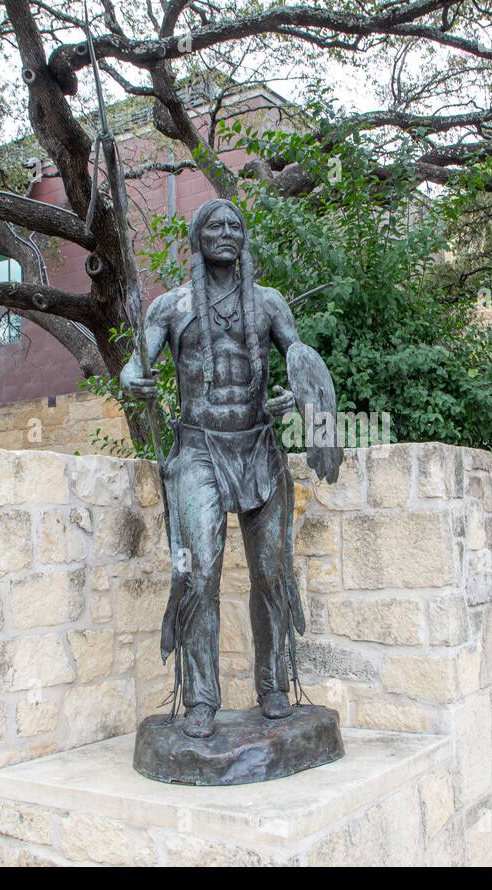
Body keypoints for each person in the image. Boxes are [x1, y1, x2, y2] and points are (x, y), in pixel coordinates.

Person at [121, 199, 341, 740]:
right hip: (197, 448)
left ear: (244, 238)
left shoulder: (269, 304)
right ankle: (199, 699)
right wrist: (135, 382)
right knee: (197, 575)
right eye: (214, 226)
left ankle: (273, 688)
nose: (226, 233)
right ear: (197, 238)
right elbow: (135, 367)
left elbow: (302, 364)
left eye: (234, 226)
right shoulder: (170, 307)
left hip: (259, 447)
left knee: (272, 574)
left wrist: (296, 399)